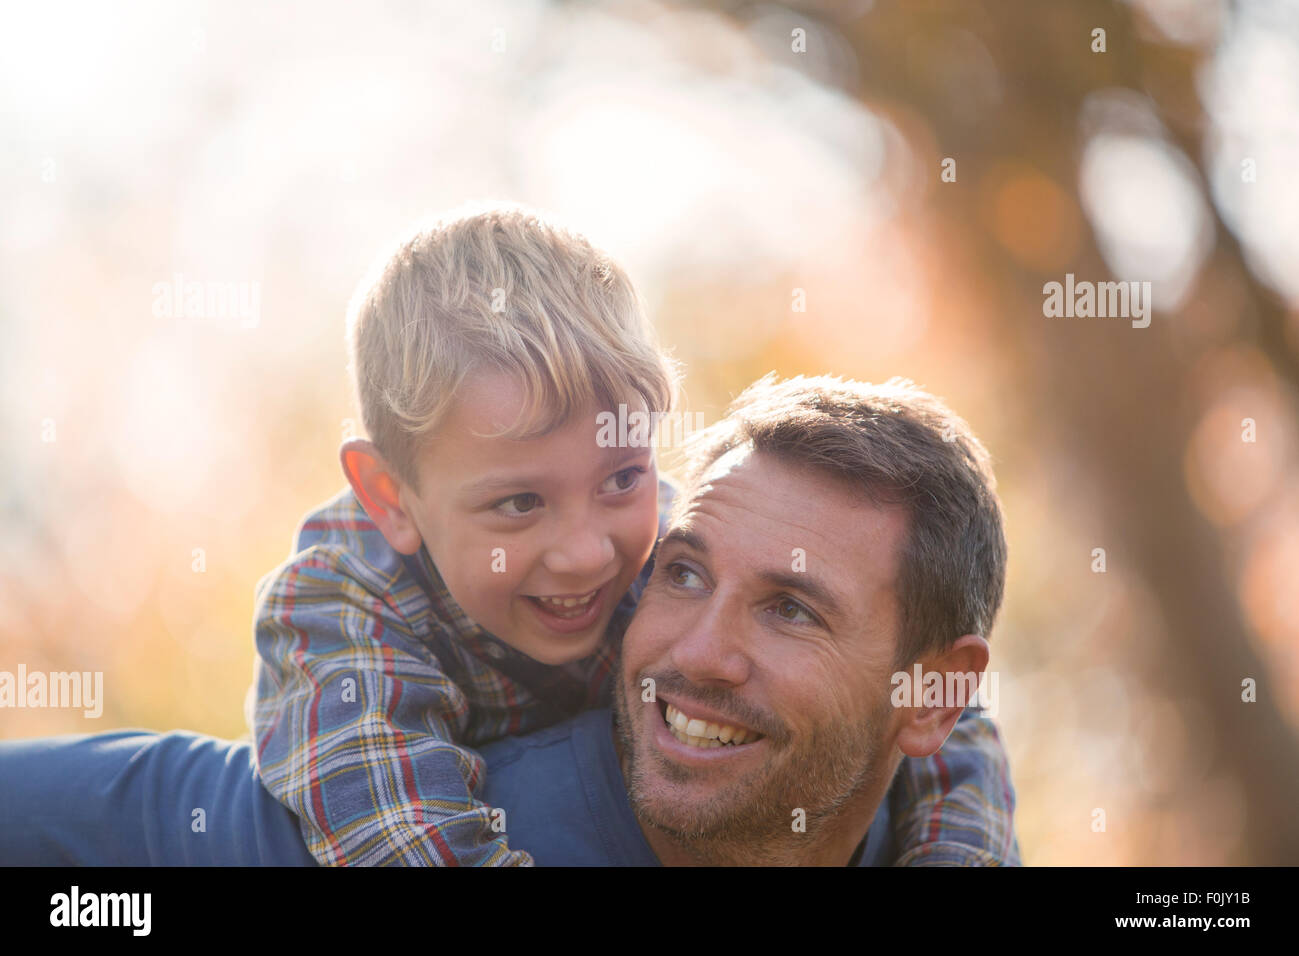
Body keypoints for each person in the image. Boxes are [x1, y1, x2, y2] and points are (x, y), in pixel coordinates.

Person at [244, 203, 1014, 865]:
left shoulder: (673, 550)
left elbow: (944, 716)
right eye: (518, 503)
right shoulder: (340, 609)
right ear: (391, 497)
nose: (588, 553)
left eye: (621, 479)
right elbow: (396, 835)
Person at [0, 374, 1020, 867]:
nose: (696, 652)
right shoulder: (395, 820)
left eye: (791, 609)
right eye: (682, 573)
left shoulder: (916, 816)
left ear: (931, 692)